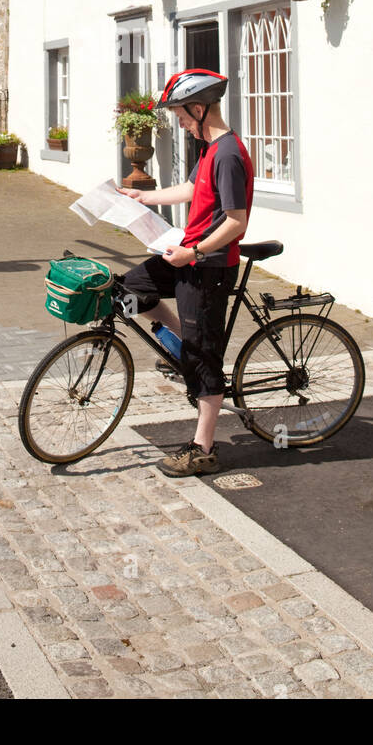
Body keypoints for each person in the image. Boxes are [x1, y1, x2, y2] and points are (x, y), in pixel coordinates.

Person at [118, 68, 254, 476]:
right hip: (186, 255)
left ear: (198, 108)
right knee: (130, 288)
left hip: (207, 267)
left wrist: (193, 252)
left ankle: (203, 449)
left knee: (204, 357)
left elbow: (236, 221)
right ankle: (182, 341)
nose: (177, 120)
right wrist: (144, 197)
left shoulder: (228, 153)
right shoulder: (210, 148)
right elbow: (194, 190)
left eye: (179, 112)